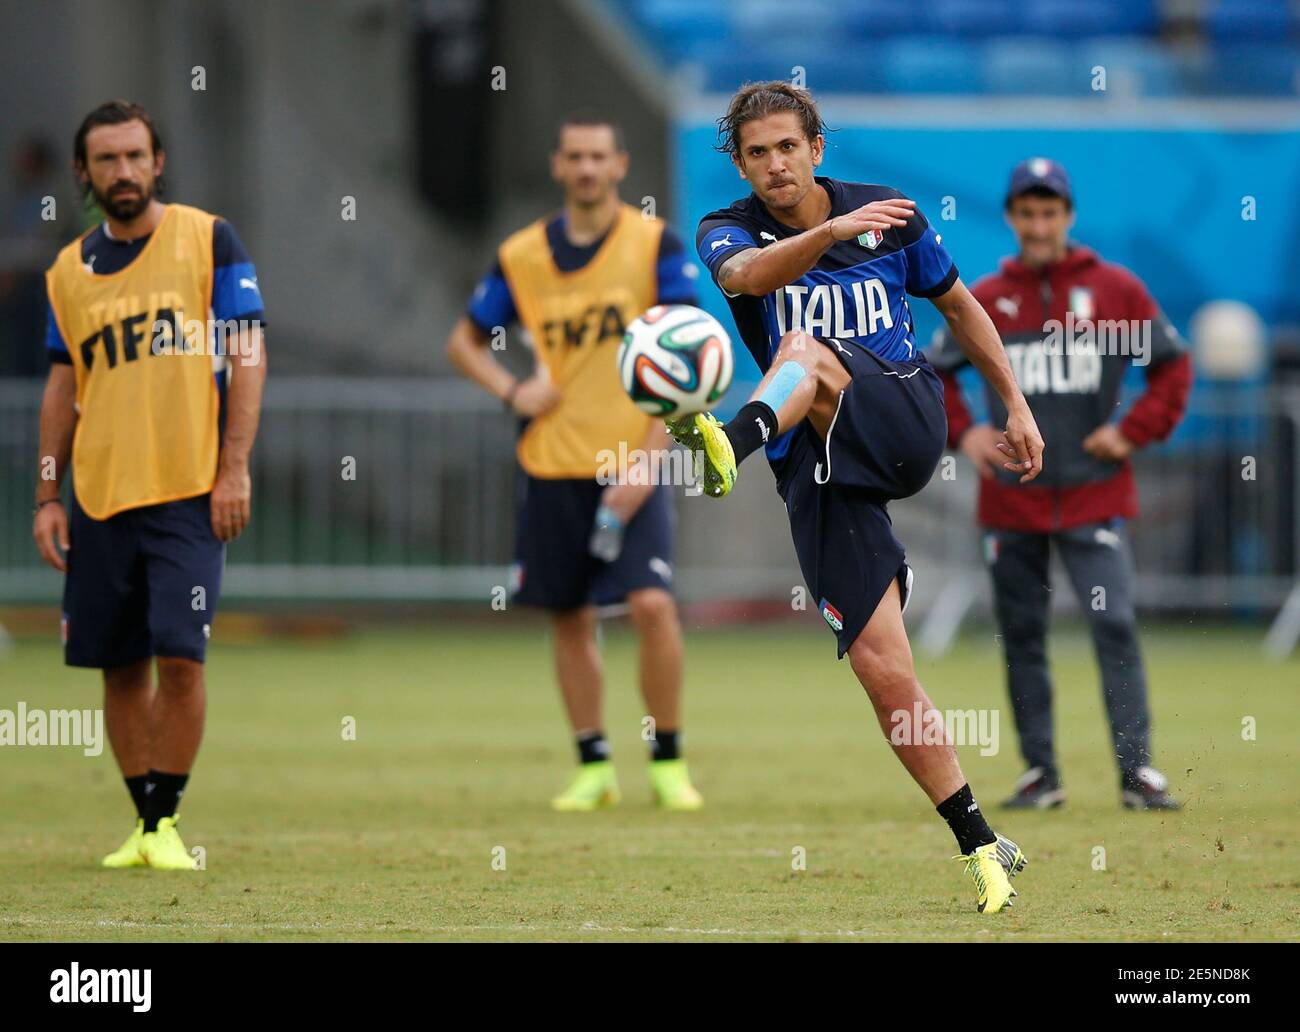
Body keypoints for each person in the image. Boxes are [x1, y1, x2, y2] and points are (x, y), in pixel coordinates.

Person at [674, 81, 1044, 912]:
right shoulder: (725, 230)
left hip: (903, 412)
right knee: (883, 668)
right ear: (739, 162)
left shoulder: (888, 212)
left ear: (817, 148)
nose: (775, 163)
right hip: (816, 457)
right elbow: (745, 273)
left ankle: (729, 445)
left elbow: (962, 306)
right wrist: (827, 236)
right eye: (757, 152)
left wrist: (1013, 404)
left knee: (804, 341)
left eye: (788, 146)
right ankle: (981, 844)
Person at [33, 100, 268, 869]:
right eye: (107, 160)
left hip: (188, 491)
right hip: (100, 497)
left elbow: (250, 354)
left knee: (181, 657)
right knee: (119, 664)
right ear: (84, 173)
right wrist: (46, 493)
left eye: (136, 156)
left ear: (157, 161)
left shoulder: (208, 238)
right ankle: (144, 824)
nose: (123, 171)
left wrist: (234, 466)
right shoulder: (67, 271)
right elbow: (63, 387)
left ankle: (164, 819)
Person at [445, 114, 704, 811]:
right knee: (567, 614)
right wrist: (513, 389)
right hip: (554, 460)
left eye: (599, 156)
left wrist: (648, 464)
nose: (587, 168)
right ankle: (593, 764)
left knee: (652, 603)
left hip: (633, 460)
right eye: (574, 157)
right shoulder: (522, 254)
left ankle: (668, 759)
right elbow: (464, 342)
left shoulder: (656, 246)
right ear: (558, 166)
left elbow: (688, 358)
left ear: (620, 165)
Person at [927, 158, 1191, 811]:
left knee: (1114, 624)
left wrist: (1133, 432)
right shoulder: (985, 296)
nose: (1039, 224)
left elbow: (1173, 367)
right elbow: (936, 373)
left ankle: (1137, 773)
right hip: (1011, 501)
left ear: (1068, 217)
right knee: (1021, 632)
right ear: (1012, 217)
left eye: (1050, 212)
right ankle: (1041, 774)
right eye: (1027, 212)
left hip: (1092, 495)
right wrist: (963, 434)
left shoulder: (1115, 292)